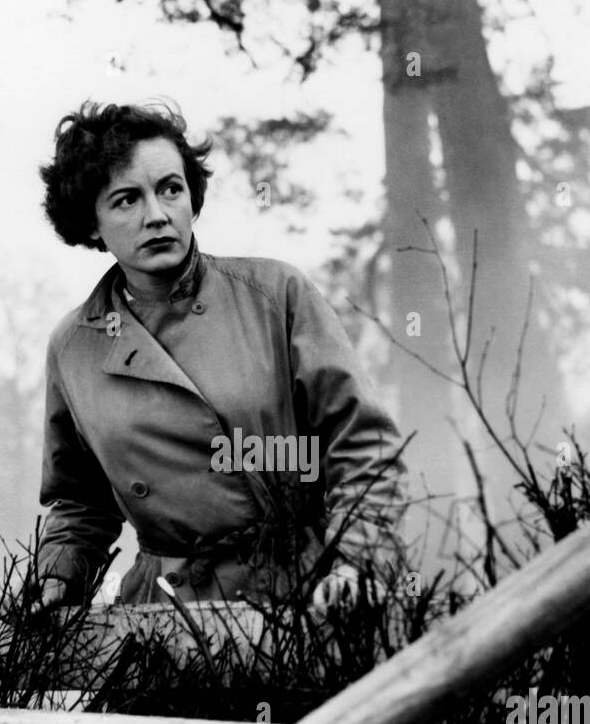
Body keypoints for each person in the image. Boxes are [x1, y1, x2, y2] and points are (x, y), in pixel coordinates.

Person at [20, 99, 406, 612]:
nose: (156, 216)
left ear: (192, 199)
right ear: (91, 223)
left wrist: (358, 564)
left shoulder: (276, 295)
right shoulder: (74, 346)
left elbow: (363, 446)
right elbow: (81, 501)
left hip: (302, 595)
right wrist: (56, 582)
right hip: (163, 612)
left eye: (170, 190)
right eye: (126, 200)